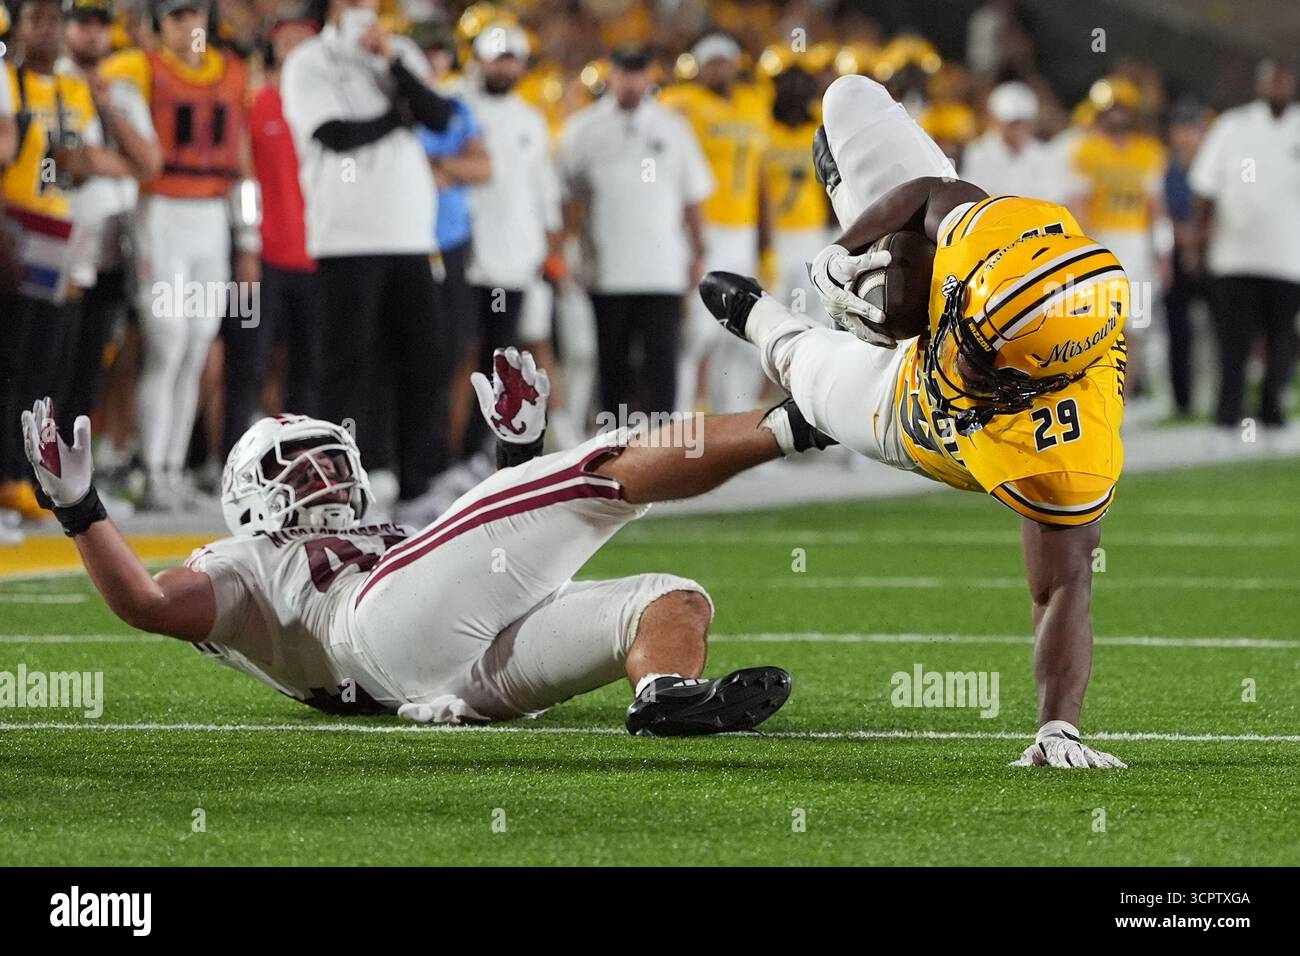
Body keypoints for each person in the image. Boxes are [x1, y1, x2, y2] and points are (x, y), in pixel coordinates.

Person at [18, 346, 834, 734]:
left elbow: (488, 565)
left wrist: (515, 454)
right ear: (251, 497)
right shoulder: (246, 562)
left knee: (671, 598)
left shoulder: (384, 530)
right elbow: (148, 604)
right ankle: (798, 421)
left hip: (445, 677)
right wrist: (82, 509)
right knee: (595, 473)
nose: (323, 479)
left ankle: (664, 699)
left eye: (327, 460)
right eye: (297, 471)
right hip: (369, 627)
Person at [706, 73, 1132, 768]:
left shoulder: (1066, 447)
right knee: (849, 97)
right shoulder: (1010, 236)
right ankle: (867, 277)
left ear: (1034, 379)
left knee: (808, 372)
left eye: (985, 356)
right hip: (951, 286)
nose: (965, 347)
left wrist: (1059, 727)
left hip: (922, 418)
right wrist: (842, 250)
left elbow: (1061, 587)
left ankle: (757, 318)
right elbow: (934, 195)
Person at [281, 0, 456, 511]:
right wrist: (396, 114)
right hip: (346, 235)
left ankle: (419, 478)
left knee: (424, 359)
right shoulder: (310, 61)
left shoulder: (398, 52)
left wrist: (394, 65)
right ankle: (339, 480)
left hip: (410, 234)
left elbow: (439, 116)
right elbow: (334, 135)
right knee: (348, 365)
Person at [100, 0, 259, 510]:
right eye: (176, 16)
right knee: (167, 339)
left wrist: (248, 236)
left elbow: (242, 163)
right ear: (158, 25)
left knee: (196, 345)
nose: (188, 26)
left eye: (194, 15)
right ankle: (148, 467)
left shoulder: (233, 73)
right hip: (160, 212)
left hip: (211, 217)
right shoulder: (137, 67)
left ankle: (168, 469)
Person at [0, 0, 131, 523]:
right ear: (20, 26)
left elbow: (112, 162)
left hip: (61, 235)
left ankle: (30, 476)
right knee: (12, 363)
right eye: (39, 19)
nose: (49, 30)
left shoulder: (75, 89)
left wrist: (85, 163)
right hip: (16, 227)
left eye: (56, 19)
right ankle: (8, 475)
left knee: (46, 367)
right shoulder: (10, 80)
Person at [557, 42, 712, 421]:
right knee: (612, 359)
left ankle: (663, 443)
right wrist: (565, 251)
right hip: (607, 266)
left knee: (662, 357)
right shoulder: (584, 129)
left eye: (638, 73)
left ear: (648, 77)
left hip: (662, 266)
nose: (631, 81)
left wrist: (699, 253)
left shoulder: (672, 127)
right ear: (611, 76)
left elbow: (692, 198)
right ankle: (615, 441)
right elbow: (565, 199)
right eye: (624, 72)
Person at [458, 22, 562, 462]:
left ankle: (482, 450)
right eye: (495, 57)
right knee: (456, 359)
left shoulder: (531, 120)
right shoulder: (459, 106)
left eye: (510, 58)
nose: (502, 66)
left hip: (514, 259)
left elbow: (544, 191)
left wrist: (549, 246)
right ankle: (448, 455)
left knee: (498, 358)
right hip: (460, 254)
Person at [222, 3, 321, 454]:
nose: (295, 46)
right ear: (275, 44)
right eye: (287, 38)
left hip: (318, 256)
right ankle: (231, 456)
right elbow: (244, 176)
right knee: (248, 364)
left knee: (309, 368)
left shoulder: (325, 107)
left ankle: (302, 459)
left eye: (304, 38)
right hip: (264, 257)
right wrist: (247, 243)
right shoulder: (257, 102)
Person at [661, 33, 771, 414]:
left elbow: (760, 179)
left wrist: (765, 244)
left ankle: (732, 424)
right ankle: (678, 417)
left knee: (740, 333)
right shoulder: (682, 104)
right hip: (703, 231)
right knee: (697, 332)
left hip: (743, 231)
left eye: (725, 61)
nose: (719, 68)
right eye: (711, 62)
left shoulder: (754, 104)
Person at [1189, 59, 1300, 430]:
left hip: (1288, 256)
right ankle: (1228, 412)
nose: (1278, 87)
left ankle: (1271, 411)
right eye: (1272, 81)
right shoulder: (1234, 126)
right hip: (1235, 255)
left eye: (1284, 81)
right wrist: (1198, 242)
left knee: (1281, 341)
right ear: (1260, 85)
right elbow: (1205, 188)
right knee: (1233, 342)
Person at [1066, 76, 1171, 399]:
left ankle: (1124, 397)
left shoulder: (1148, 151)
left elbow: (1156, 207)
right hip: (1101, 241)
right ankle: (1095, 397)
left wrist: (1164, 252)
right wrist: (1084, 248)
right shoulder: (1086, 150)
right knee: (1096, 326)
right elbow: (1079, 203)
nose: (1117, 115)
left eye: (1122, 108)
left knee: (1135, 326)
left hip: (1137, 243)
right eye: (1110, 109)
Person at [959, 81, 1058, 202]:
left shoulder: (1044, 155)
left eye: (1023, 122)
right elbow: (973, 198)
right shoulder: (978, 153)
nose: (1018, 129)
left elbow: (1054, 198)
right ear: (996, 120)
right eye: (1013, 123)